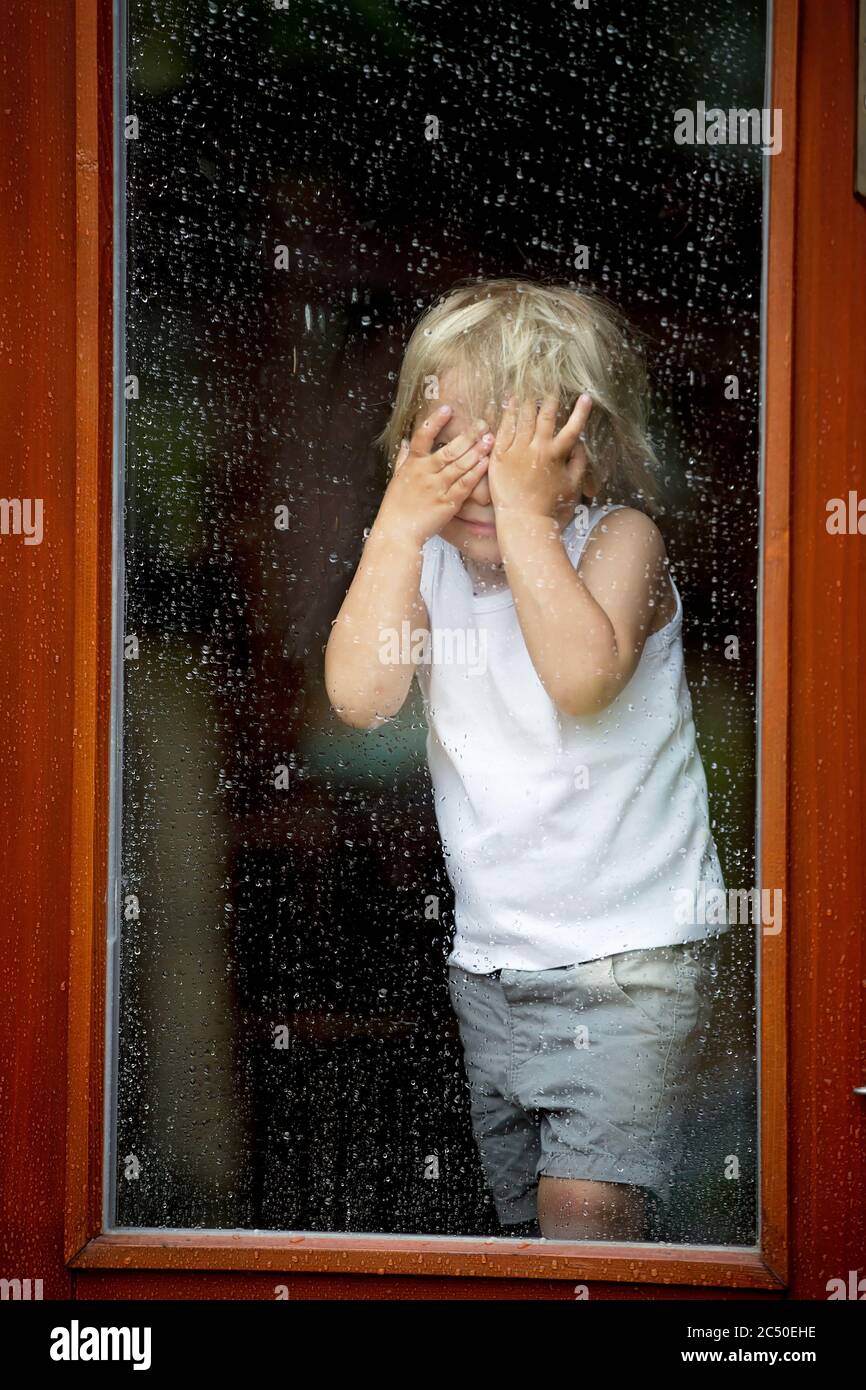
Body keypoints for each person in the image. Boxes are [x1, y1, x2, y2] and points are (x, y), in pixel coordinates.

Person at [325, 277, 728, 1241]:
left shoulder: (620, 542)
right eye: (452, 450)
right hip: (494, 970)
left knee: (586, 1218)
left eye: (517, 457)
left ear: (589, 462)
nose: (483, 481)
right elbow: (361, 698)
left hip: (632, 962)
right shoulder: (419, 567)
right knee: (527, 1234)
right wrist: (392, 529)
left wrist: (531, 523)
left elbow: (580, 677)